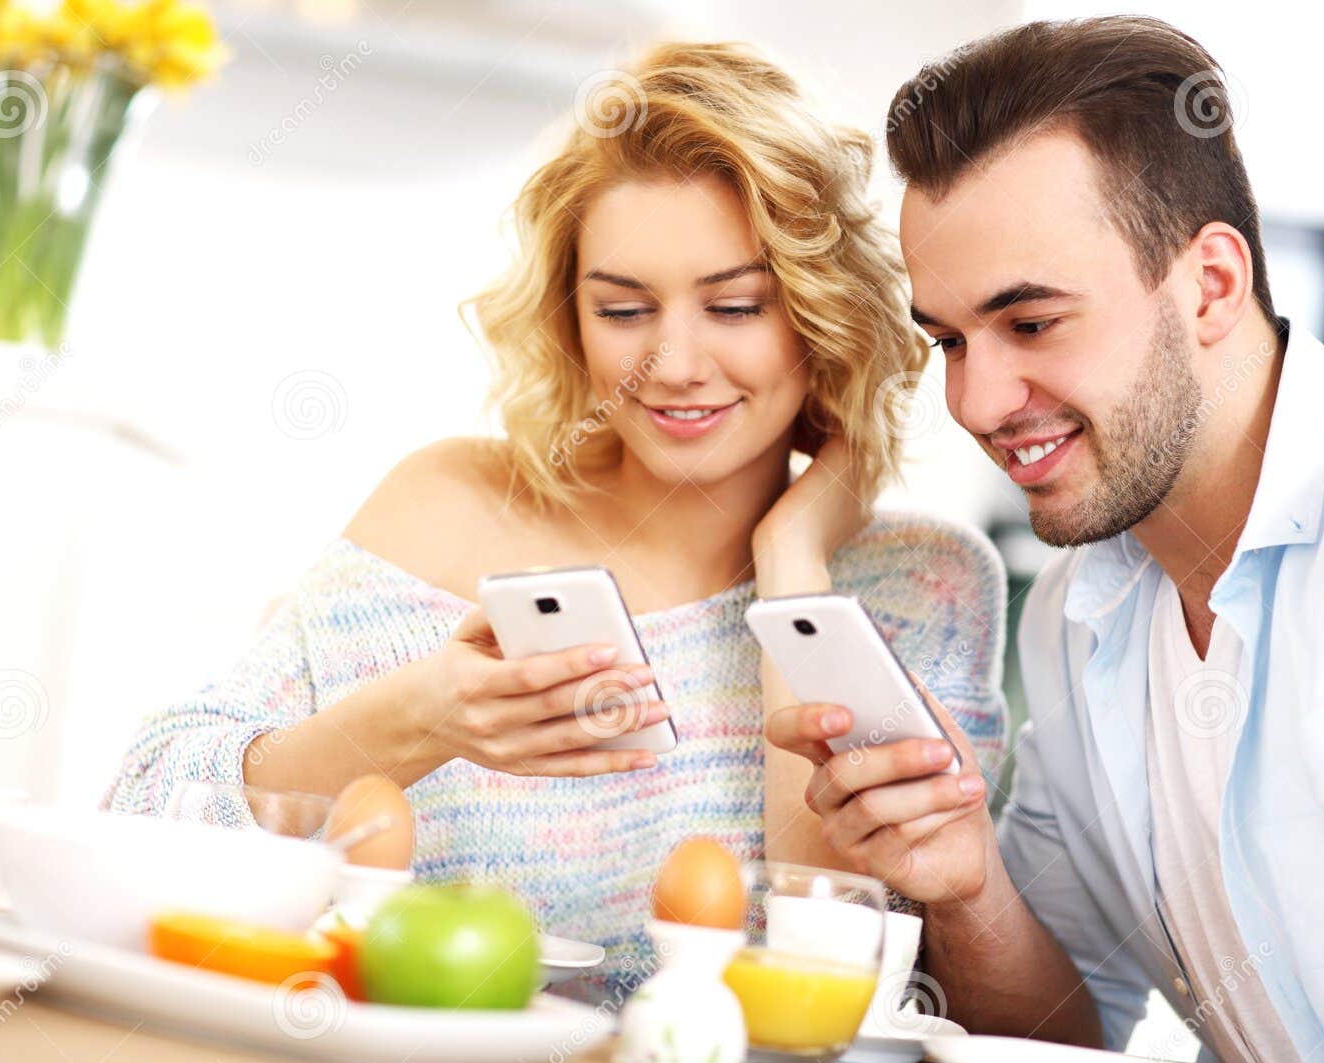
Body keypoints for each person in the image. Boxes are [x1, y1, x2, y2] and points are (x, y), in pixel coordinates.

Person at [104, 42, 1008, 991]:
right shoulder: (448, 507)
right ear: (569, 317)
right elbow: (143, 812)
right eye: (623, 311)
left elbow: (842, 982)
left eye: (735, 306)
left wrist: (792, 568)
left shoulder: (923, 585)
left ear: (823, 313)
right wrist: (417, 718)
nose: (673, 364)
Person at [766, 16, 1324, 1063]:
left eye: (1032, 323)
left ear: (1211, 285)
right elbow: (1060, 1034)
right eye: (951, 340)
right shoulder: (1073, 618)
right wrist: (966, 884)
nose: (976, 400)